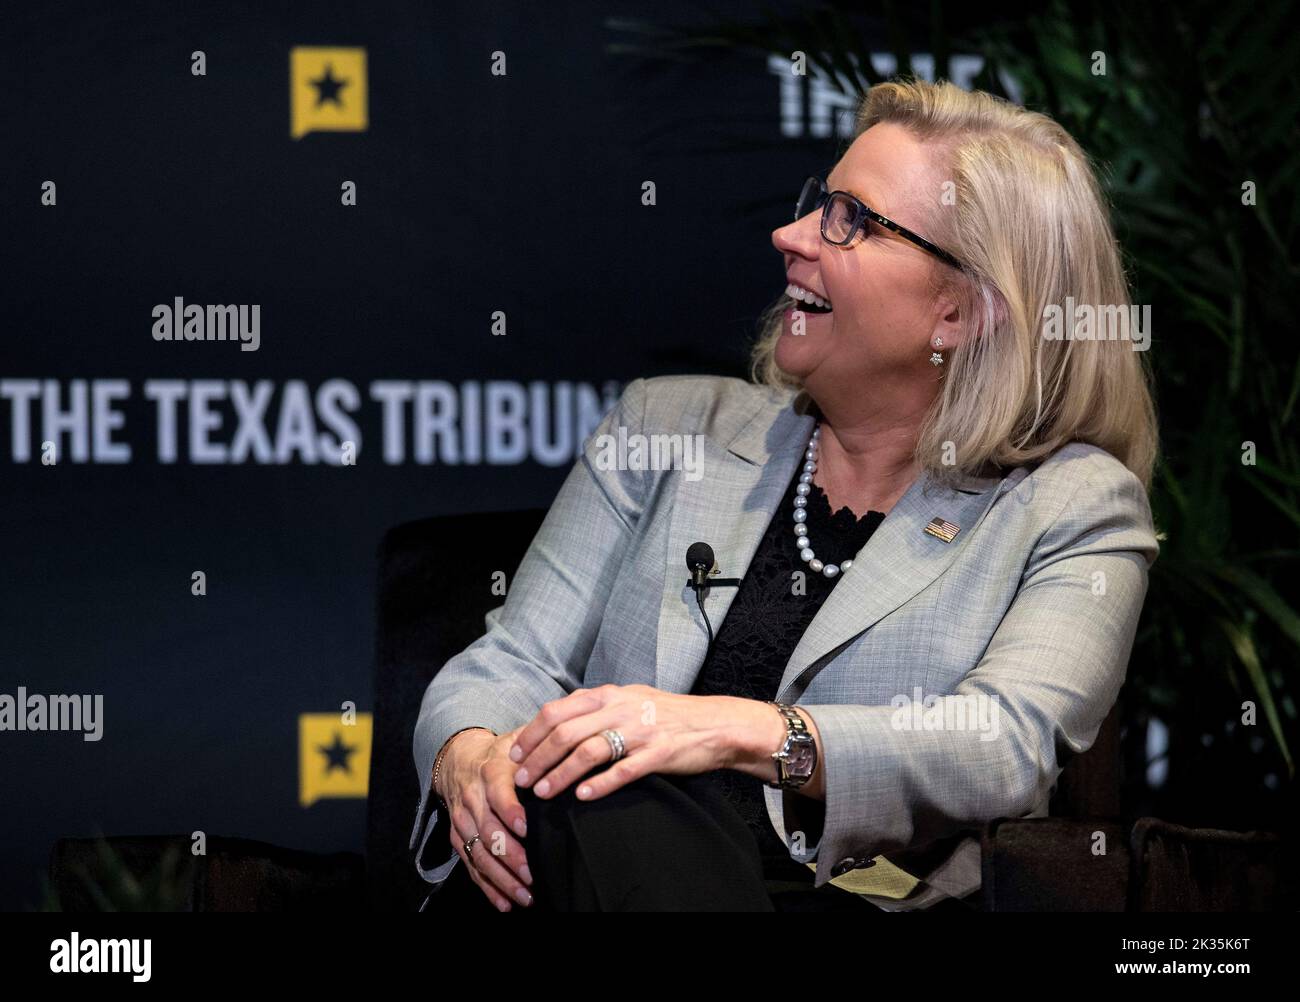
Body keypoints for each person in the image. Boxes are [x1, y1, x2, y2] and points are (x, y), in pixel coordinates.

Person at [409, 77, 1160, 912]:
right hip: (581, 874)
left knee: (620, 781)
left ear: (958, 312)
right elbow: (512, 663)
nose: (791, 235)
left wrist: (733, 731)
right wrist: (469, 758)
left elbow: (1001, 746)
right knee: (595, 787)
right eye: (818, 203)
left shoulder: (1075, 508)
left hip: (847, 899)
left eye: (852, 220)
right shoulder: (668, 427)